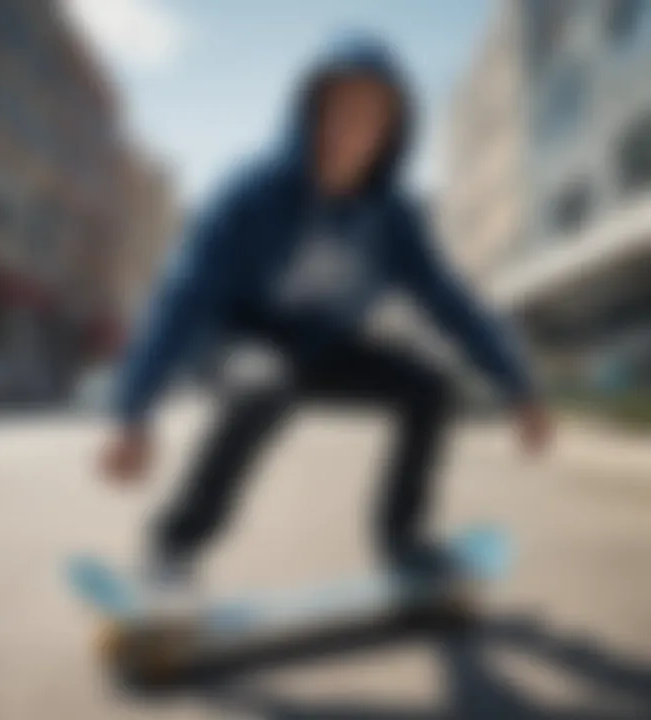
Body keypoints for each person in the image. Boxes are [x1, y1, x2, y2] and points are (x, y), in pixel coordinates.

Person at [100, 35, 552, 609]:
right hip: (239, 341)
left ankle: (404, 541)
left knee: (431, 387)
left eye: (369, 118)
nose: (348, 132)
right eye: (336, 111)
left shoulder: (394, 219)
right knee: (262, 385)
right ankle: (173, 550)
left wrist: (518, 387)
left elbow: (451, 303)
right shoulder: (250, 192)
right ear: (309, 114)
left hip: (322, 348)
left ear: (391, 133)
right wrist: (132, 412)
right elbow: (182, 297)